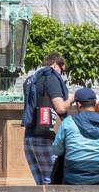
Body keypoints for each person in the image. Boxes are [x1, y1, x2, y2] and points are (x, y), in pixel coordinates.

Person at [51, 87, 99, 185]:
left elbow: (57, 150)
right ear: (95, 103)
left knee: (61, 157)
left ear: (79, 104)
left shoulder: (68, 122)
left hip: (72, 179)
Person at [23, 52, 70, 184]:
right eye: (62, 70)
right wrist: (72, 98)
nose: (61, 74)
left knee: (40, 184)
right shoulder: (51, 77)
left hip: (29, 137)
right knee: (52, 182)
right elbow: (60, 107)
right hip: (46, 137)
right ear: (55, 64)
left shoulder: (32, 78)